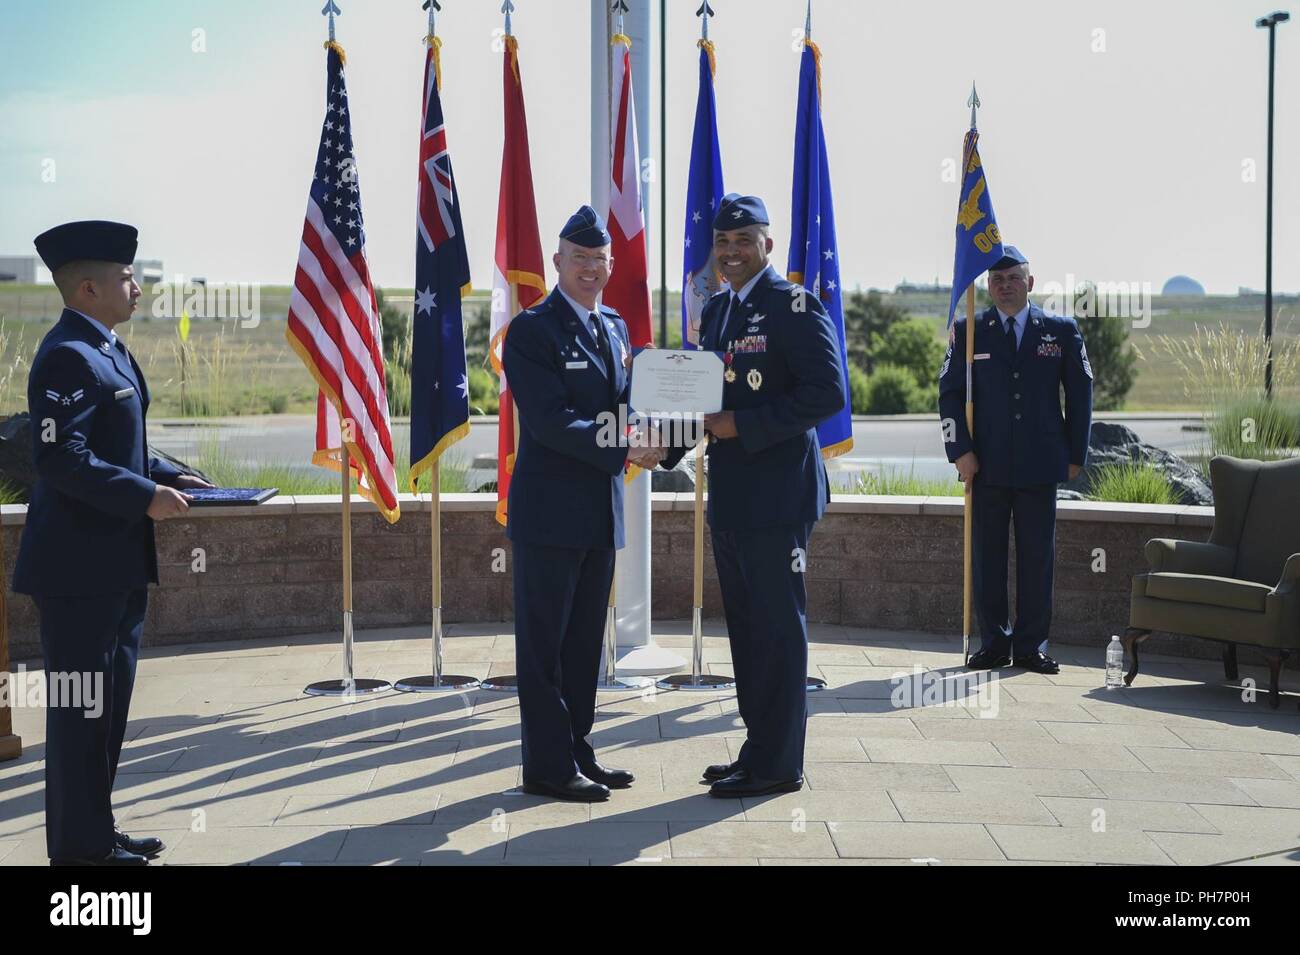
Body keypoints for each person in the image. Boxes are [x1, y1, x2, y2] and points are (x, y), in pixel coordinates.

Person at [12, 220, 212, 865]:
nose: (138, 288)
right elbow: (59, 459)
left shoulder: (108, 348)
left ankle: (95, 831)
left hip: (117, 566)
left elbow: (114, 442)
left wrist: (169, 471)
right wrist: (143, 497)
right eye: (128, 278)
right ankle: (79, 854)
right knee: (79, 718)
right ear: (90, 287)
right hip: (77, 573)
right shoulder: (67, 353)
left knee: (107, 713)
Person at [658, 193, 846, 798]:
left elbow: (826, 394)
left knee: (777, 630)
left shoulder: (794, 305)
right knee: (746, 630)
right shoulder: (716, 313)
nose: (732, 252)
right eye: (723, 242)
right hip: (734, 498)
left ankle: (779, 764)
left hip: (779, 498)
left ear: (767, 243)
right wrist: (657, 448)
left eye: (744, 241)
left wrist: (745, 425)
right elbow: (702, 406)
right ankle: (758, 747)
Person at [502, 205, 659, 802]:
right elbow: (550, 422)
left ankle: (577, 751)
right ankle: (546, 767)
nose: (591, 269)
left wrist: (650, 435)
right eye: (580, 258)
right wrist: (626, 443)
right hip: (548, 515)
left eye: (601, 260)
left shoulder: (614, 327)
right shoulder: (532, 330)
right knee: (543, 646)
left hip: (598, 512)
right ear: (557, 262)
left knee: (583, 644)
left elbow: (627, 404)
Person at [938, 245, 1093, 675]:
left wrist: (1075, 454)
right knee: (987, 558)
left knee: (1036, 558)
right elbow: (949, 394)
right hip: (985, 465)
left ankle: (1029, 646)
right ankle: (992, 643)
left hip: (1041, 464)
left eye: (1013, 278)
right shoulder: (970, 330)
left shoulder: (1059, 330)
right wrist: (960, 451)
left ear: (1031, 282)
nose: (1005, 287)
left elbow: (1080, 396)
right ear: (988, 285)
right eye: (997, 280)